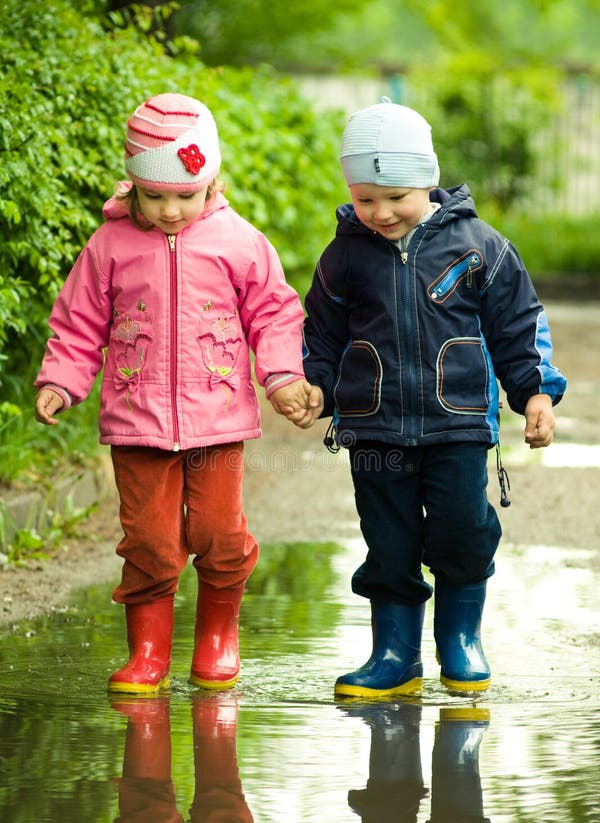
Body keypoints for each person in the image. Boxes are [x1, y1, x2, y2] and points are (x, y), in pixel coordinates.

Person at [34, 93, 309, 695]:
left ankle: (217, 637)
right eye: (154, 195)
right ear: (132, 183)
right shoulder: (109, 246)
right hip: (138, 421)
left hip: (217, 420)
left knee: (218, 533)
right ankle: (149, 652)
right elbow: (79, 322)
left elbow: (274, 313)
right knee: (151, 542)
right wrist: (62, 379)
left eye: (185, 195)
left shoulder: (239, 242)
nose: (169, 210)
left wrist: (284, 377)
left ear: (212, 180)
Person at [295, 97, 567, 698]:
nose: (381, 212)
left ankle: (460, 642)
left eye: (396, 198)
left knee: (462, 532)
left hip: (459, 428)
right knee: (388, 541)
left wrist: (536, 393)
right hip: (375, 429)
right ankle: (394, 654)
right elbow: (322, 333)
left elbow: (519, 324)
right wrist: (316, 385)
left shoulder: (479, 248)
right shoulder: (345, 257)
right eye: (365, 199)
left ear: (429, 180)